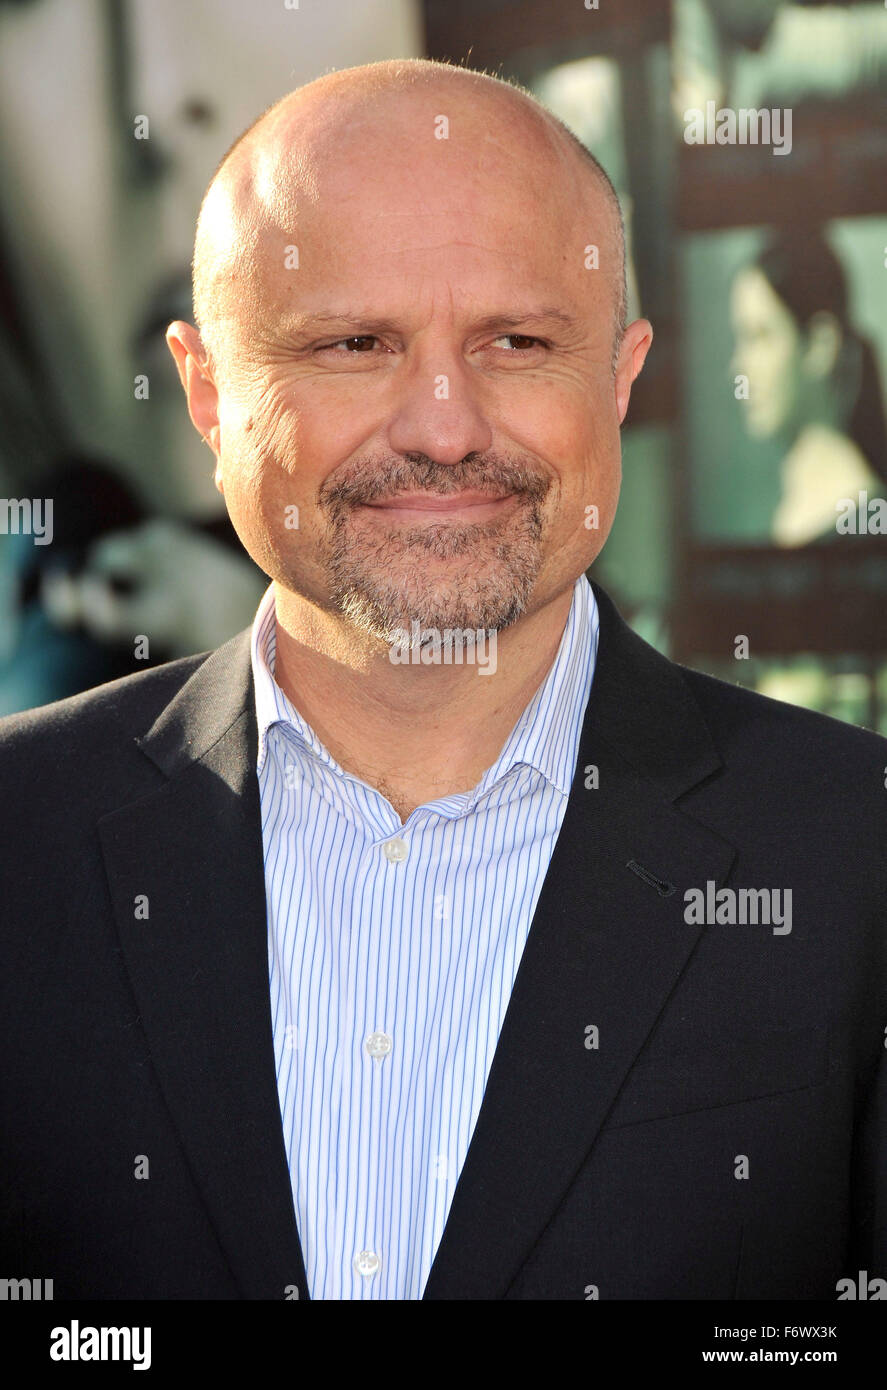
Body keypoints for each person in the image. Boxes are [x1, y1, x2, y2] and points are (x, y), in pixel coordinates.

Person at [0, 58, 884, 1302]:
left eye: (516, 341)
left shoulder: (857, 850)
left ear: (620, 375)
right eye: (354, 343)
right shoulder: (18, 836)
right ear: (206, 390)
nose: (443, 424)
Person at [730, 227, 887, 547]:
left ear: (820, 345)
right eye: (740, 340)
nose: (738, 368)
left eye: (760, 337)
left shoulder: (866, 523)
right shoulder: (791, 509)